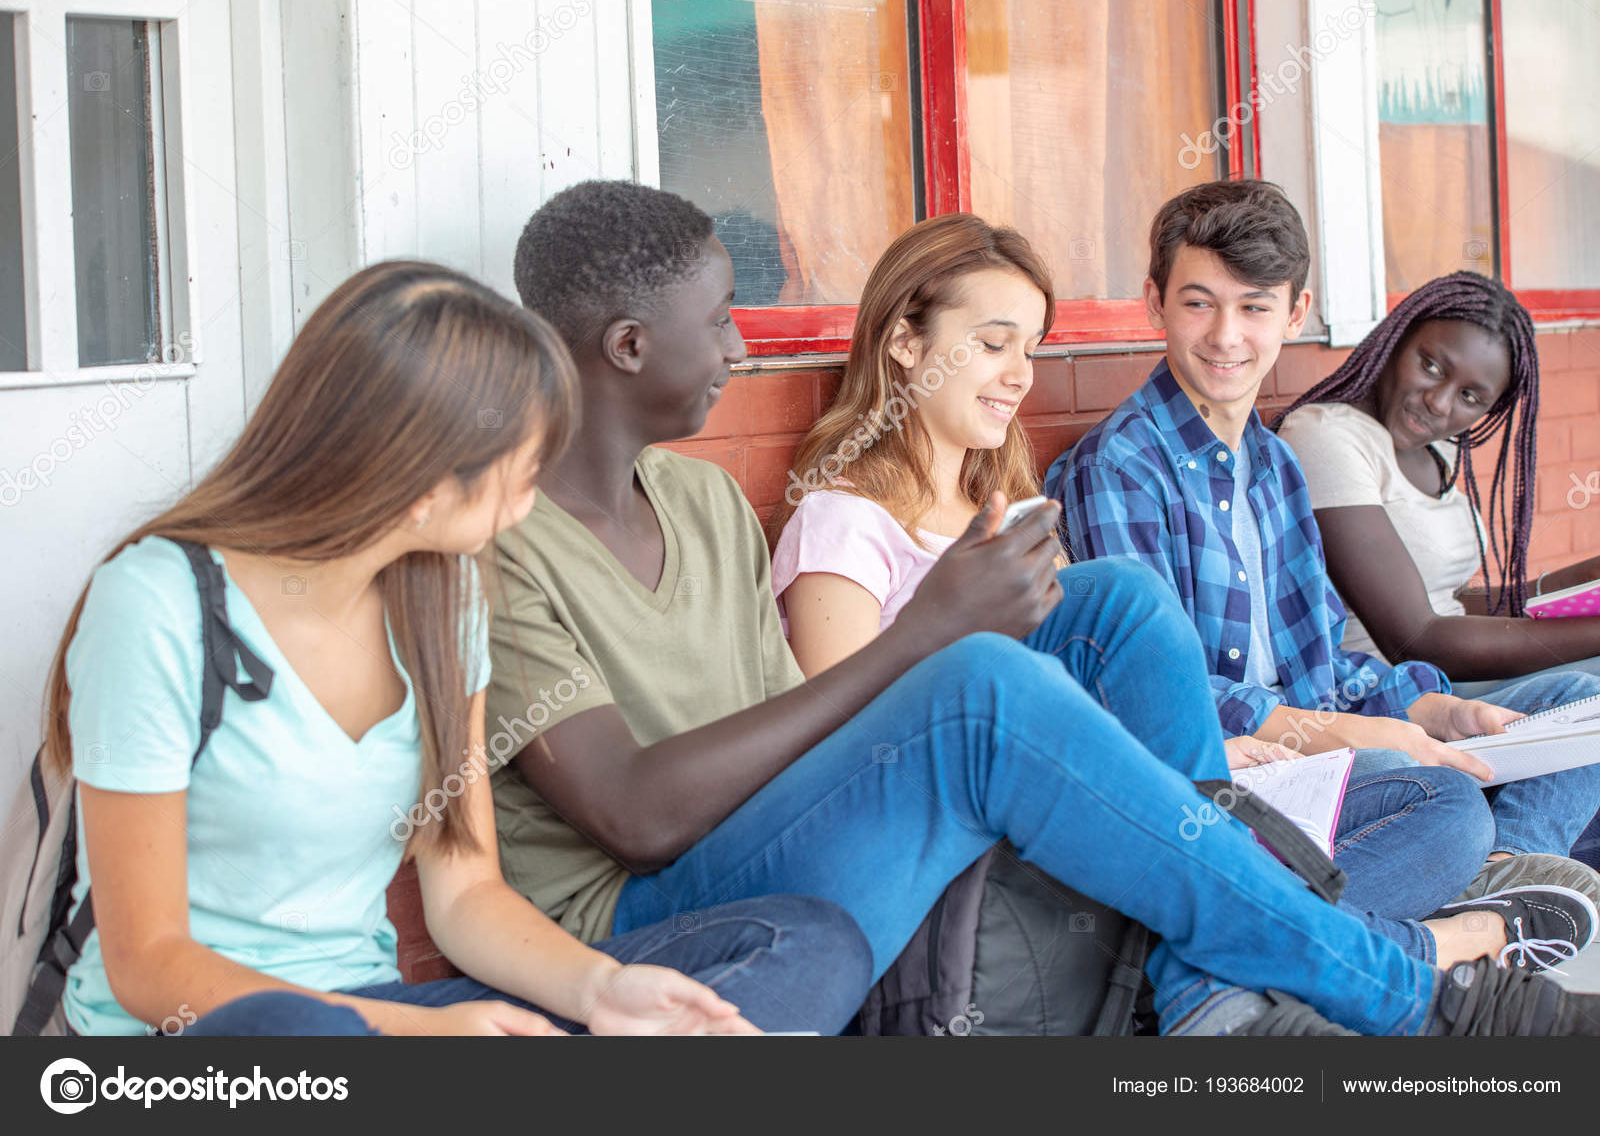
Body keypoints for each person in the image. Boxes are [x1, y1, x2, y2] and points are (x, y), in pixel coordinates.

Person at [482, 177, 1600, 1036]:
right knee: (980, 682)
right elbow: (631, 816)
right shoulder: (498, 547)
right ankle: (1397, 985)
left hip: (785, 831)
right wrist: (930, 636)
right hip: (659, 910)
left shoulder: (701, 497)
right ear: (628, 345)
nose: (739, 345)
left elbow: (800, 725)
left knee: (1111, 598)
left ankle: (1206, 978)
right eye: (723, 318)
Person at [47, 260, 872, 1037]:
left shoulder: (440, 603)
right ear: (422, 476)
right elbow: (146, 965)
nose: (530, 504)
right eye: (522, 472)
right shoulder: (160, 602)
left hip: (376, 1014)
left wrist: (599, 990)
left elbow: (466, 888)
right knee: (299, 1028)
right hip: (213, 1038)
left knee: (809, 940)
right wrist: (418, 1032)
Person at [769, 211, 1553, 972]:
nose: (1019, 376)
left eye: (1030, 348)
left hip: (1121, 796)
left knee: (1479, 781)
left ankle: (1301, 947)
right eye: (992, 344)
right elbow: (845, 749)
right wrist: (1244, 749)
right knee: (1443, 812)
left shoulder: (1012, 513)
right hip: (1002, 831)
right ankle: (1375, 947)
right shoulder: (845, 520)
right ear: (906, 341)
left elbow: (1096, 695)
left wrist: (1413, 712)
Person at [1051, 179, 1600, 911]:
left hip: (1328, 753)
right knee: (1446, 808)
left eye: (1254, 307)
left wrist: (1435, 711)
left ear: (1295, 312)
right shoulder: (1119, 467)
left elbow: (1324, 665)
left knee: (1577, 705)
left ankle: (1497, 871)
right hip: (1228, 777)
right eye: (1198, 302)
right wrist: (1361, 735)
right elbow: (1164, 699)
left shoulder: (1273, 464)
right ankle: (1451, 894)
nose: (1225, 335)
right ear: (1155, 302)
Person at [1274, 271, 1600, 695]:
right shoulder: (1324, 436)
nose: (1439, 402)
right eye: (1430, 366)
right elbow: (1414, 638)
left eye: (1470, 397)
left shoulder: (1437, 448)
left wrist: (1571, 584)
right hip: (1392, 697)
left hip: (1461, 678)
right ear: (1396, 338)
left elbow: (1445, 602)